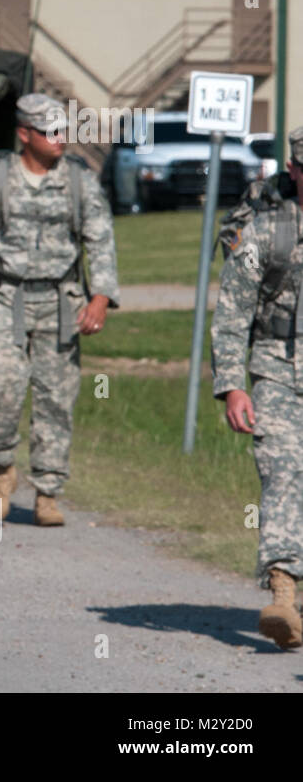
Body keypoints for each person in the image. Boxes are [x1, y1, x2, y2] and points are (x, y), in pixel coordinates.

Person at [0, 93, 120, 526]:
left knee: (56, 396)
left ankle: (48, 490)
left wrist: (100, 296)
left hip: (62, 301)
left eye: (63, 130)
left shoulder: (81, 181)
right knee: (0, 390)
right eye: (49, 131)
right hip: (5, 297)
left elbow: (100, 238)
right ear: (24, 134)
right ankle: (2, 471)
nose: (59, 139)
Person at [211, 131, 303, 649]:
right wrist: (231, 385)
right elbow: (232, 313)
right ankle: (283, 595)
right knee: (283, 470)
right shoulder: (267, 232)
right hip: (277, 368)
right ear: (294, 171)